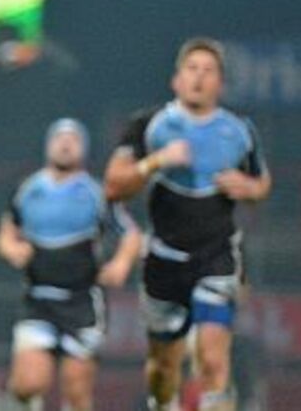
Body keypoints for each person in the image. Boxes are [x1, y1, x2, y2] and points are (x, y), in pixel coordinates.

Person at [104, 38, 271, 411]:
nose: (199, 78)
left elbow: (262, 184)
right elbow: (114, 186)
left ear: (220, 84)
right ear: (176, 80)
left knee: (212, 360)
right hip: (164, 258)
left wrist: (248, 188)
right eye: (191, 69)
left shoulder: (240, 131)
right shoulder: (149, 125)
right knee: (164, 370)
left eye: (208, 71)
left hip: (216, 256)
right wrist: (156, 161)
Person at [0, 119, 142, 411]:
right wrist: (12, 248)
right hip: (38, 300)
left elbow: (131, 234)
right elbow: (6, 233)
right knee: (28, 384)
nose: (65, 144)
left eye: (72, 139)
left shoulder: (98, 193)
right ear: (48, 145)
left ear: (83, 148)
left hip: (82, 303)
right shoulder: (28, 190)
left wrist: (121, 264)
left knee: (76, 392)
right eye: (59, 139)